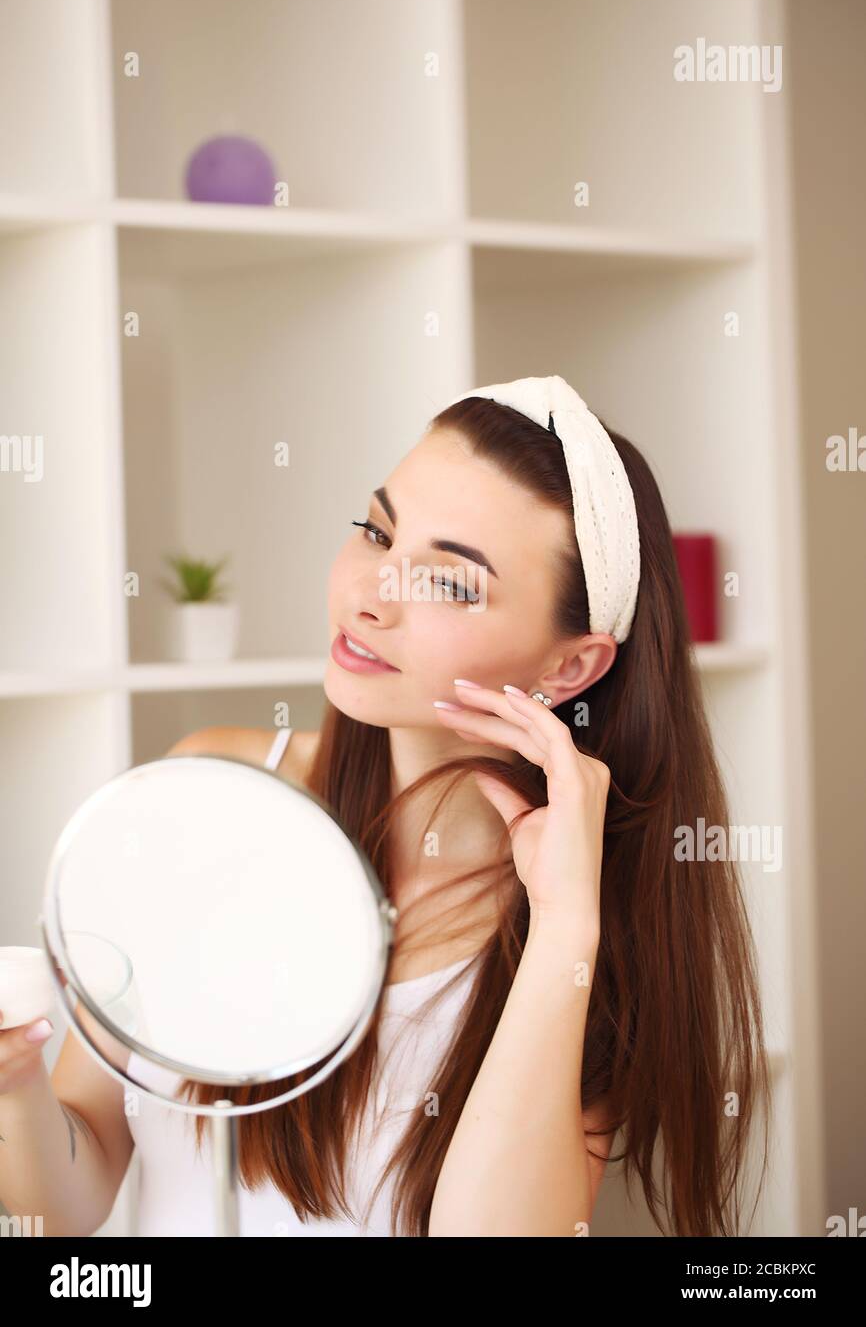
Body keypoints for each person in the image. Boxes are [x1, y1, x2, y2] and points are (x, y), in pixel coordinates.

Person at [0, 375, 772, 1237]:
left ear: (569, 670)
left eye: (448, 583)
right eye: (377, 531)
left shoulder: (588, 926)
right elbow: (65, 1207)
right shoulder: (213, 790)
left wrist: (562, 926)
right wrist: (15, 1081)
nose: (370, 597)